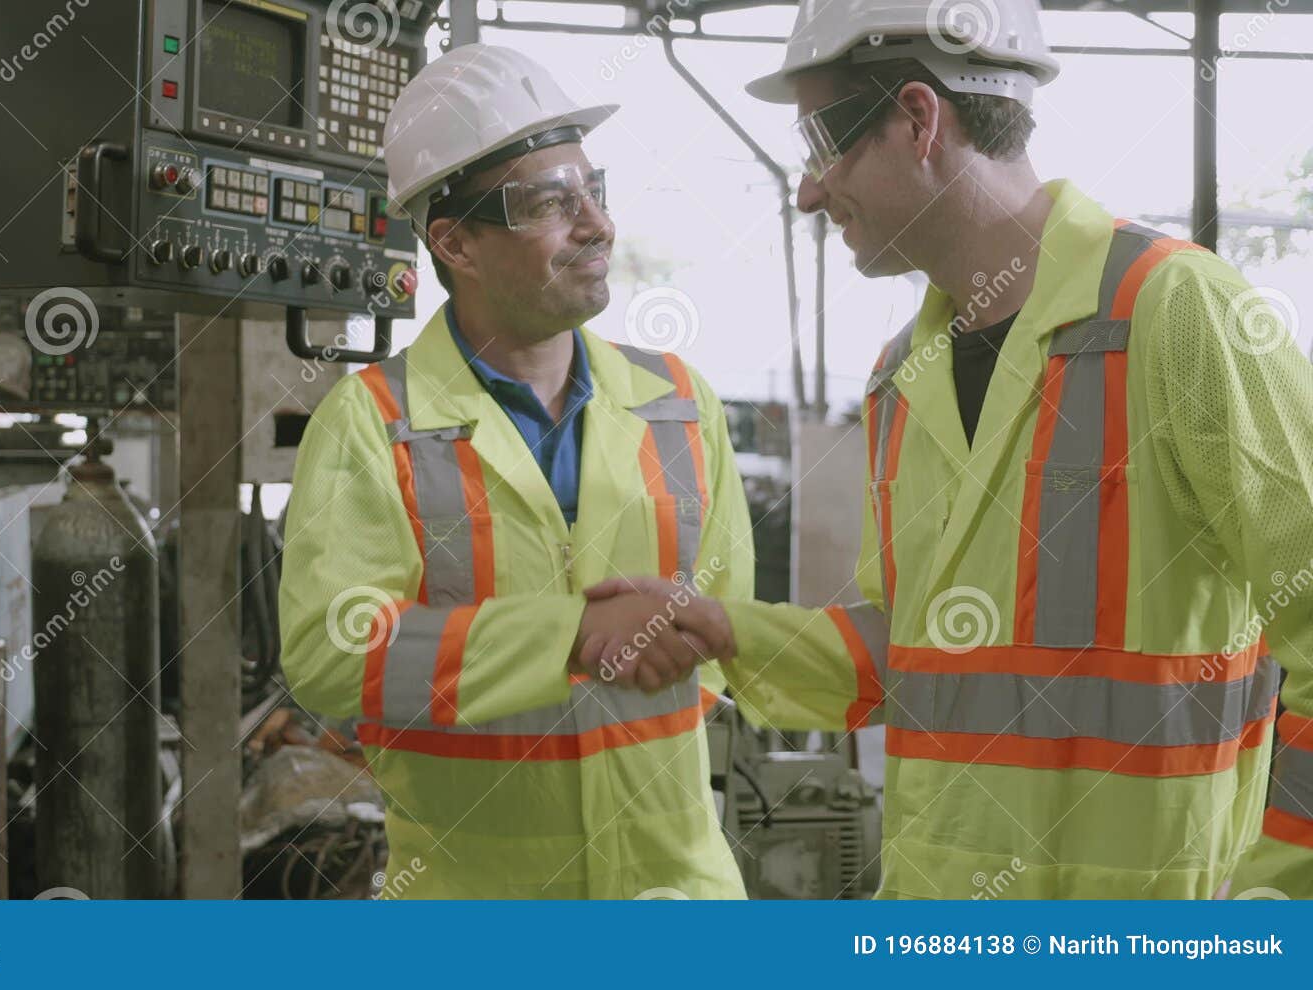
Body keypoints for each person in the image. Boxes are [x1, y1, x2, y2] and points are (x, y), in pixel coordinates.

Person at [591, 0, 1313, 897]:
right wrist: (724, 628)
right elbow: (919, 654)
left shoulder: (1180, 313)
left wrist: (1282, 899)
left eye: (820, 143)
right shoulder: (902, 376)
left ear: (918, 117)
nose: (809, 191)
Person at [278, 43, 756, 898]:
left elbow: (727, 635)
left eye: (593, 190)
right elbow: (330, 653)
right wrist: (568, 635)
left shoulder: (680, 404)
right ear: (455, 242)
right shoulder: (373, 423)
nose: (596, 224)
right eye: (549, 203)